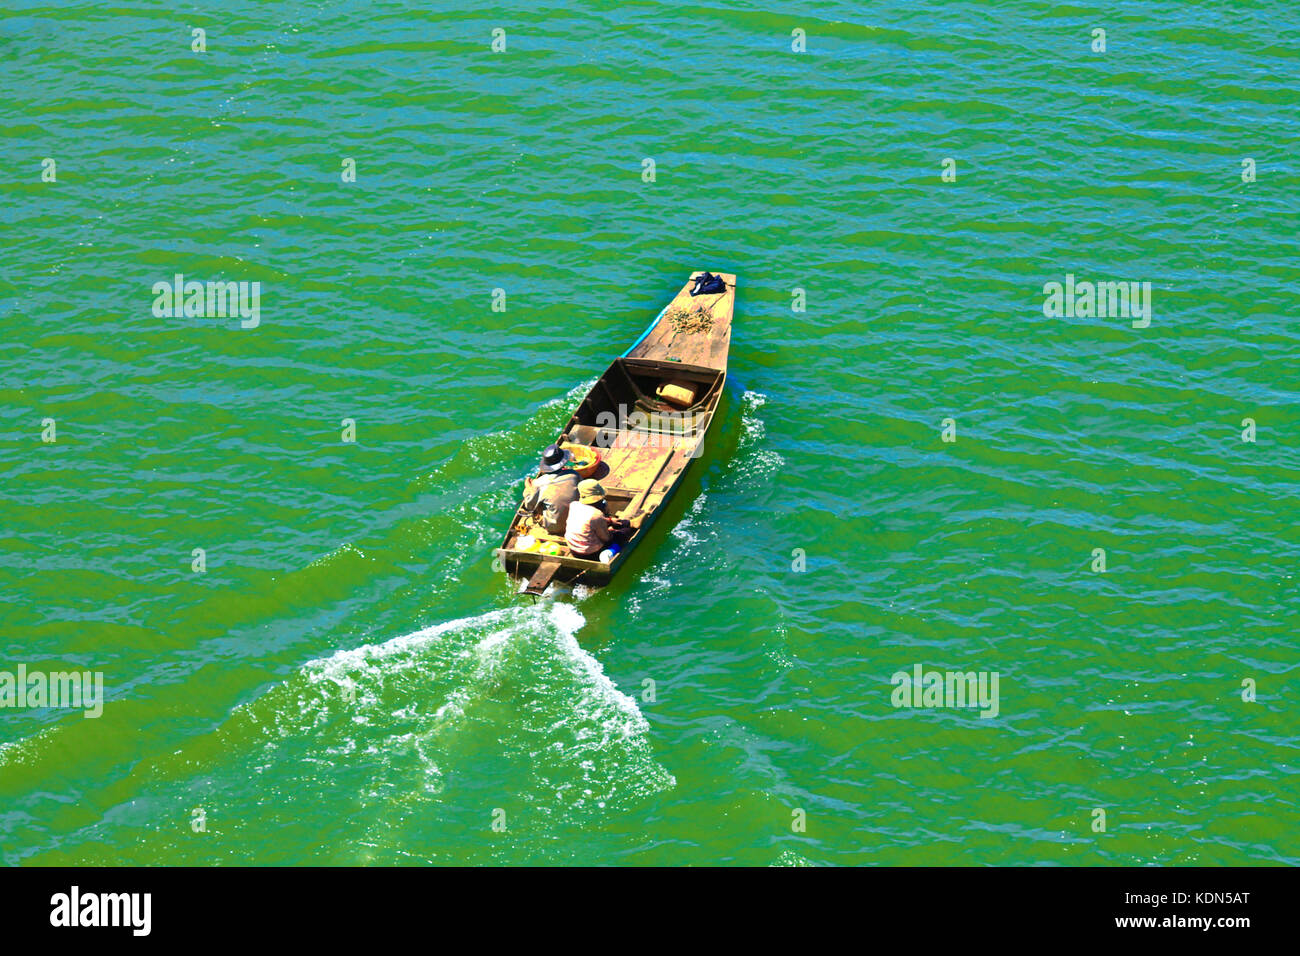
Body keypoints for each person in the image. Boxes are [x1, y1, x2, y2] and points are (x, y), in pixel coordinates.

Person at [521, 443, 579, 535]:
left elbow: (529, 506)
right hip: (576, 521)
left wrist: (528, 487)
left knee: (537, 501)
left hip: (555, 528)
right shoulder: (574, 474)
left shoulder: (538, 483)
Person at [565, 480, 630, 558]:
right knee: (623, 533)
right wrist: (611, 531)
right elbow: (606, 539)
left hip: (573, 549)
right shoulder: (596, 514)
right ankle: (629, 525)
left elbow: (588, 521)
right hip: (591, 553)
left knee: (613, 524)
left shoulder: (574, 505)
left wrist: (610, 520)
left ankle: (630, 522)